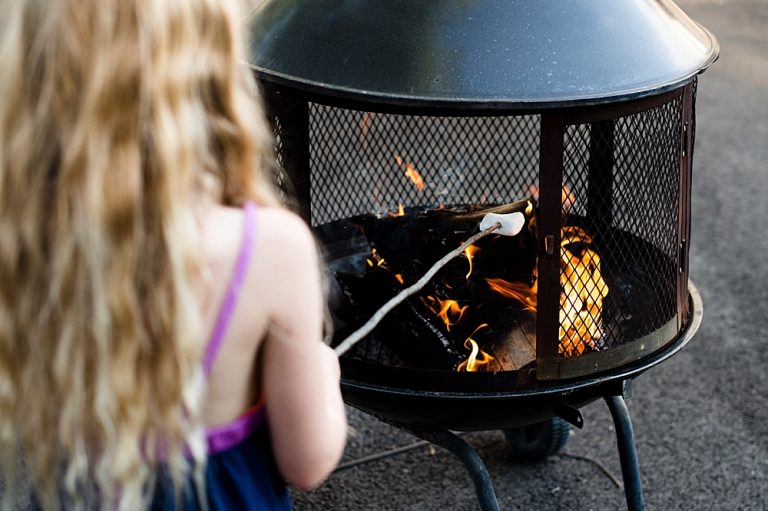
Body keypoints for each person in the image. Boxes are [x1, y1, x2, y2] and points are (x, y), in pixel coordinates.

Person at [0, 0, 347, 509]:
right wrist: (323, 372)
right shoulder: (268, 247)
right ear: (212, 68)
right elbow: (307, 461)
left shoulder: (24, 238)